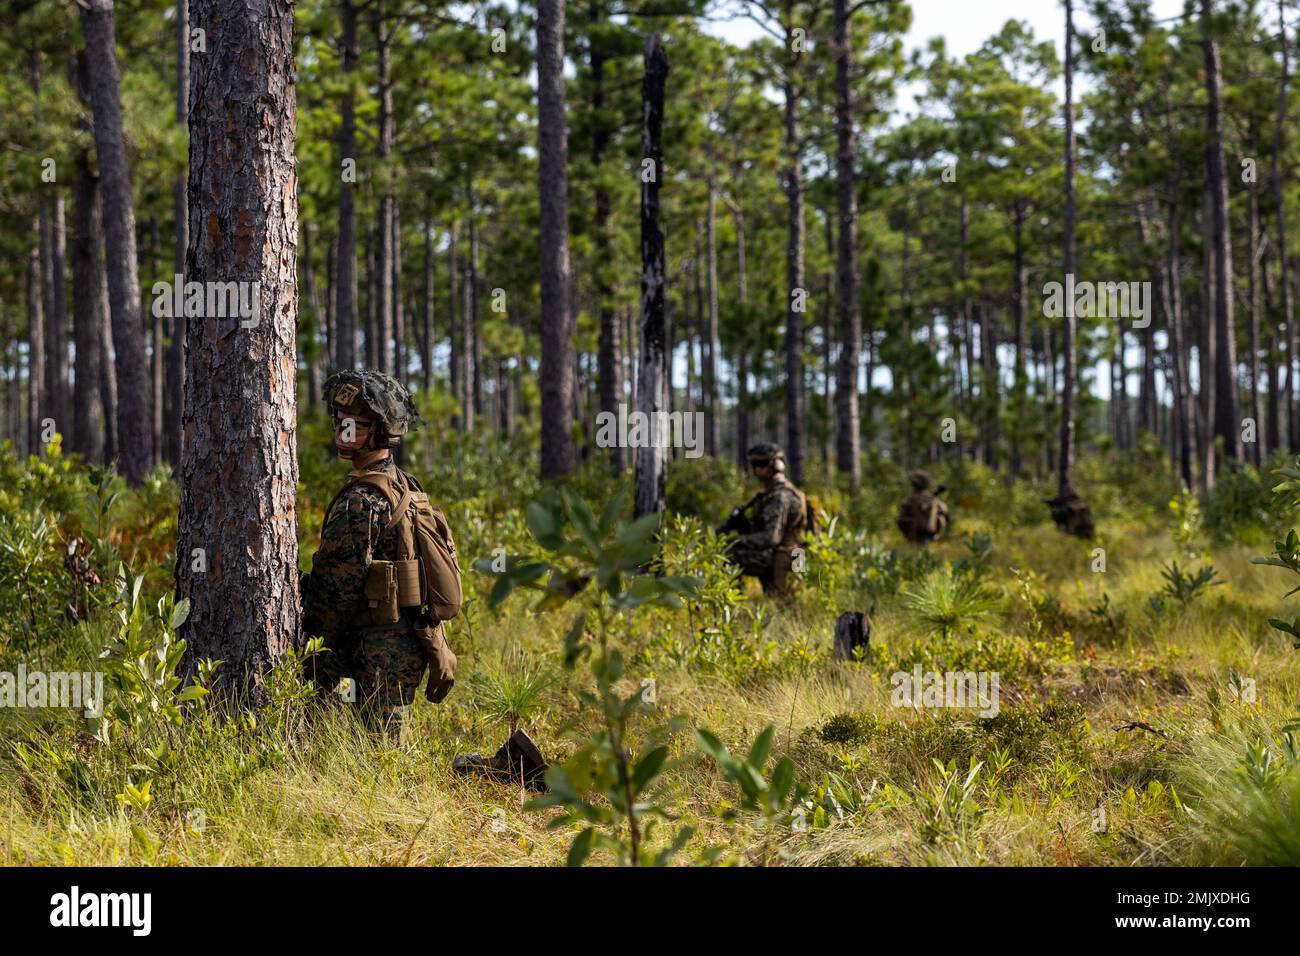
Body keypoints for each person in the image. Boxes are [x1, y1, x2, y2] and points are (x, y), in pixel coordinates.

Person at [300, 369, 458, 739]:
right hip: (403, 645)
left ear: (381, 433)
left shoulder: (361, 501)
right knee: (384, 754)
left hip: (374, 653)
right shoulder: (405, 484)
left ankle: (489, 770)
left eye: (355, 427)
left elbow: (334, 598)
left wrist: (306, 644)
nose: (343, 434)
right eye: (341, 424)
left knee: (377, 760)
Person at [716, 443, 808, 594]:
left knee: (729, 555)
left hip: (789, 556)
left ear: (776, 465)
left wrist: (735, 540)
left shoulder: (780, 496)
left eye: (762, 464)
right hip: (784, 554)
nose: (757, 469)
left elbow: (771, 537)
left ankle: (734, 605)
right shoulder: (769, 494)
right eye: (754, 464)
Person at [896, 471, 950, 545]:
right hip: (929, 535)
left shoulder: (912, 499)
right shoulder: (933, 499)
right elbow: (947, 515)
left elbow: (900, 520)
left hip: (916, 536)